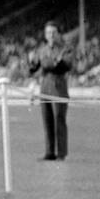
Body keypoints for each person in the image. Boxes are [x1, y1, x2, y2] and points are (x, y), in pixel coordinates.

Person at [27, 21, 73, 161]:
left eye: (53, 32)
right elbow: (34, 69)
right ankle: (49, 152)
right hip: (45, 85)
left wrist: (51, 63)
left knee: (59, 118)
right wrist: (31, 62)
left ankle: (61, 153)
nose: (51, 35)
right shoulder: (42, 50)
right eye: (48, 33)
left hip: (58, 85)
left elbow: (65, 66)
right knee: (47, 119)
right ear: (45, 35)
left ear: (58, 34)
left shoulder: (65, 49)